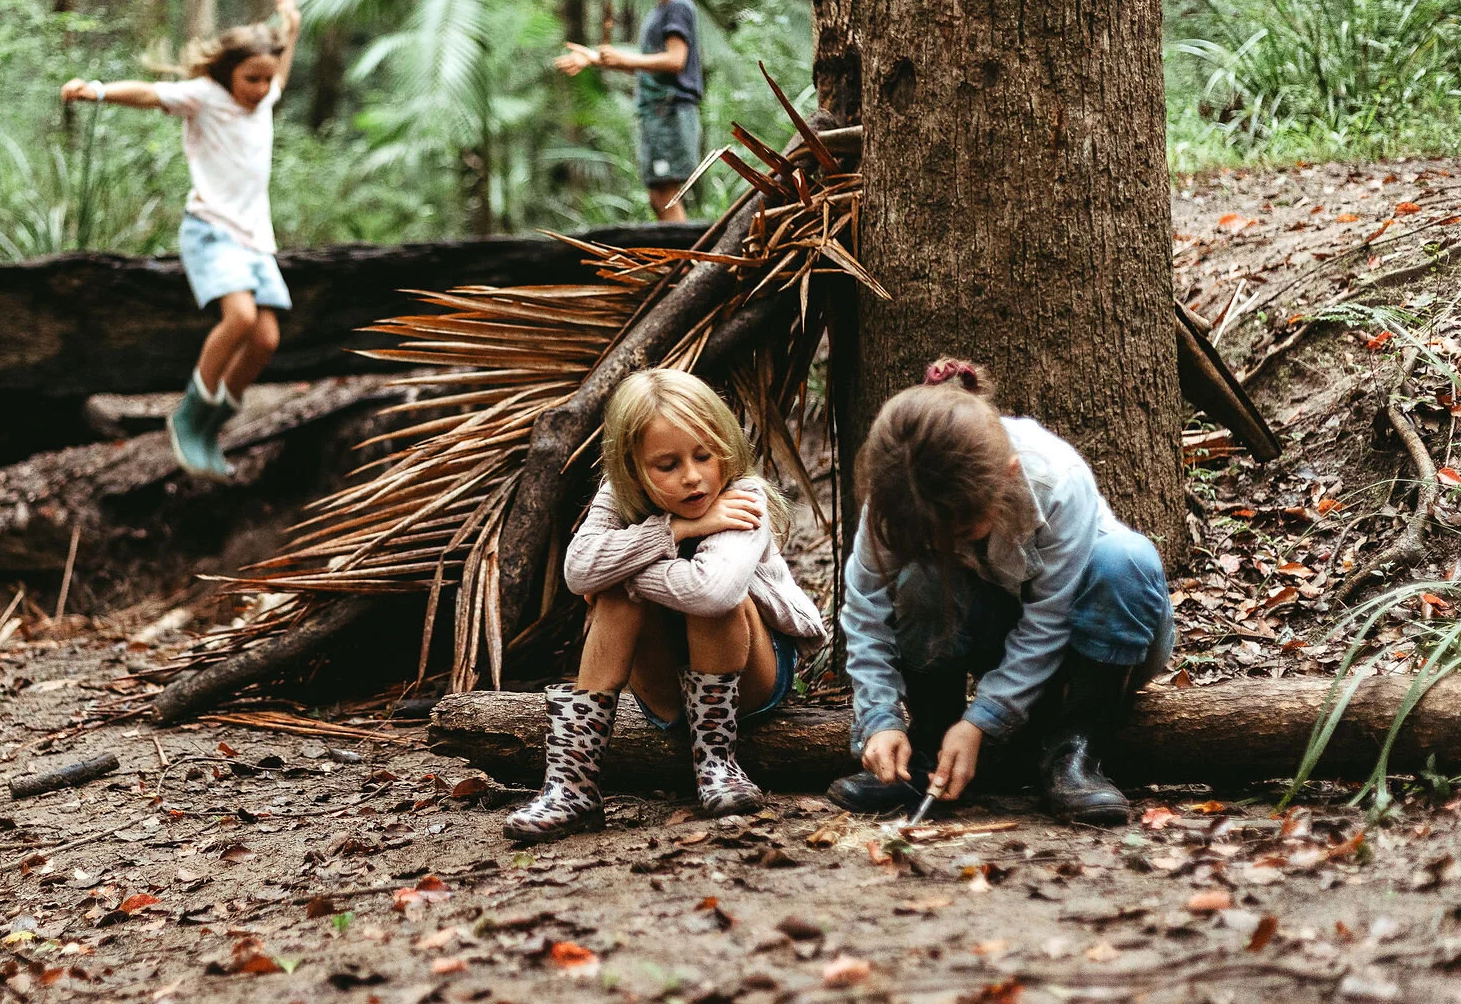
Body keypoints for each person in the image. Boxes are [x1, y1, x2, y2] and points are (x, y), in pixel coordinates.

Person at [829, 359, 1176, 826]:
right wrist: (879, 719)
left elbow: (1049, 620)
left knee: (1125, 559)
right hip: (998, 645)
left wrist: (983, 721)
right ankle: (928, 747)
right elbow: (865, 611)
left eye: (963, 530)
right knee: (923, 578)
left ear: (1009, 474)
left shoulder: (1057, 480)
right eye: (933, 538)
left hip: (1090, 650)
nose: (948, 546)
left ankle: (1075, 750)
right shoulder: (898, 496)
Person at [504, 369, 827, 842]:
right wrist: (670, 532)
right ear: (634, 469)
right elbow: (578, 573)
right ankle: (571, 785)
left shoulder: (743, 497)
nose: (693, 477)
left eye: (703, 455)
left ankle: (717, 762)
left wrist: (623, 568)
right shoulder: (618, 495)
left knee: (698, 598)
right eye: (667, 465)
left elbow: (712, 591)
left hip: (751, 680)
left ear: (725, 447)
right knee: (614, 597)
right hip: (666, 691)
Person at [62, 0, 301, 480]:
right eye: (250, 78)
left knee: (267, 339)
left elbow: (281, 71)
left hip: (256, 237)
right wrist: (97, 91)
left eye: (266, 78)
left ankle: (213, 424)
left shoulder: (266, 92)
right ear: (227, 73)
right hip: (211, 229)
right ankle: (189, 417)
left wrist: (289, 30)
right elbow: (150, 94)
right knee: (240, 316)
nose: (260, 89)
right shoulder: (204, 97)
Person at [552, 0, 705, 222]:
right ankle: (676, 261)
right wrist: (596, 59)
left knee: (666, 193)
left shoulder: (678, 9)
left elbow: (676, 60)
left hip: (670, 112)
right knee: (657, 194)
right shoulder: (660, 11)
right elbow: (648, 61)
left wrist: (622, 59)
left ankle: (686, 263)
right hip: (655, 112)